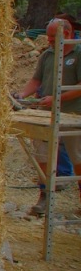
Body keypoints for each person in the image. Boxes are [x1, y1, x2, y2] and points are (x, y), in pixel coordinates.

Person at [14, 17, 81, 215]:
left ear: (67, 33)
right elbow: (36, 80)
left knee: (77, 158)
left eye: (53, 37)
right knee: (42, 155)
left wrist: (57, 97)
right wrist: (21, 95)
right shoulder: (48, 55)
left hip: (73, 114)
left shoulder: (78, 52)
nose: (49, 40)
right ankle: (44, 197)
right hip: (45, 115)